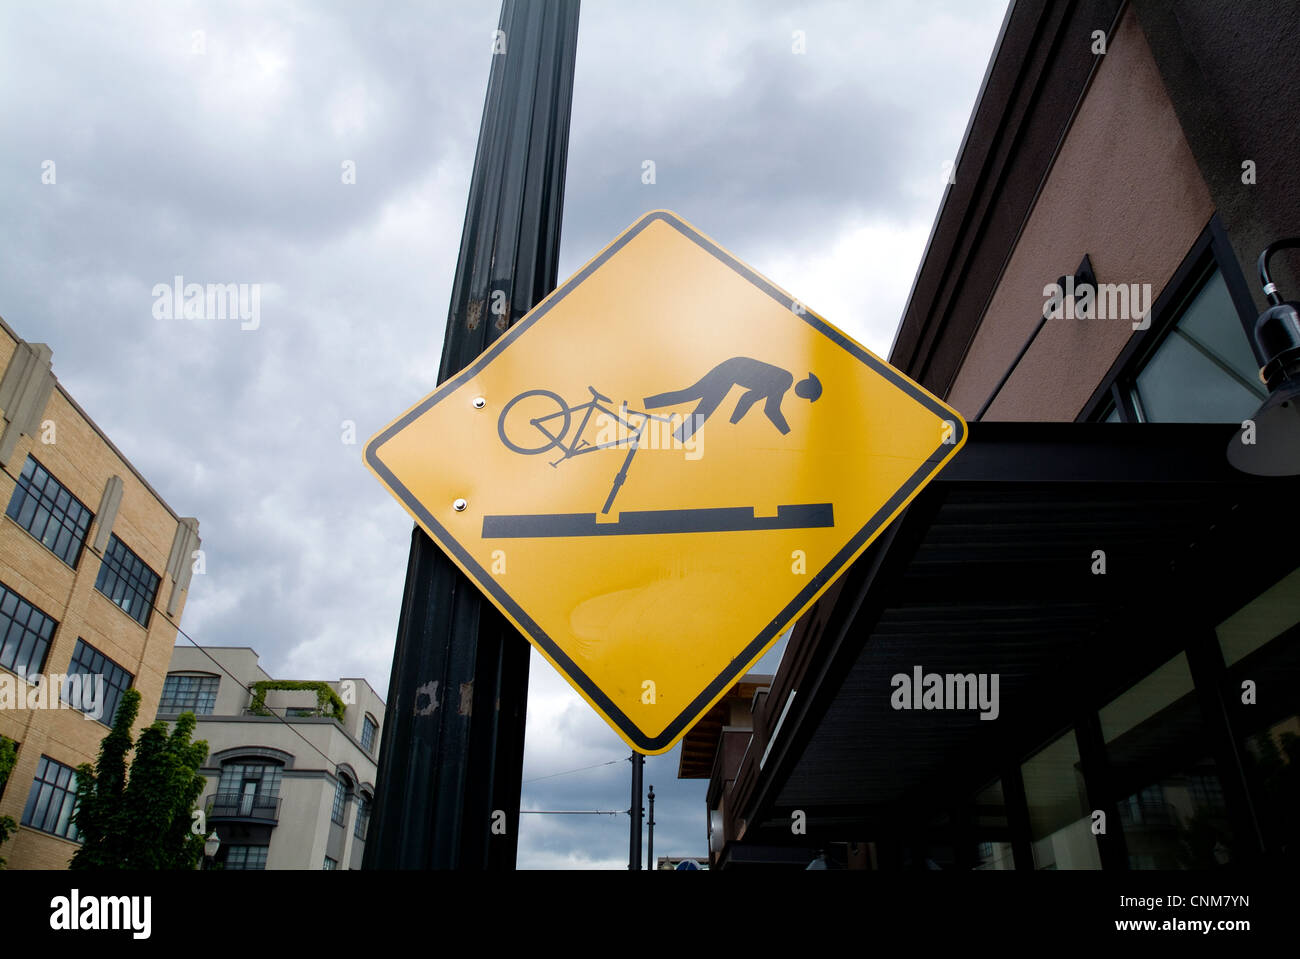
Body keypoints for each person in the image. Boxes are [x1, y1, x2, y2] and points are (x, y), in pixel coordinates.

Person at [643, 356, 821, 443]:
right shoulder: (786, 379)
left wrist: (733, 423)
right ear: (805, 389)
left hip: (731, 371)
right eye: (807, 396)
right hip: (730, 372)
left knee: (693, 396)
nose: (804, 397)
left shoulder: (783, 381)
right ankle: (674, 435)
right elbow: (771, 409)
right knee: (699, 403)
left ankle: (649, 406)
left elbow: (749, 398)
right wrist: (789, 435)